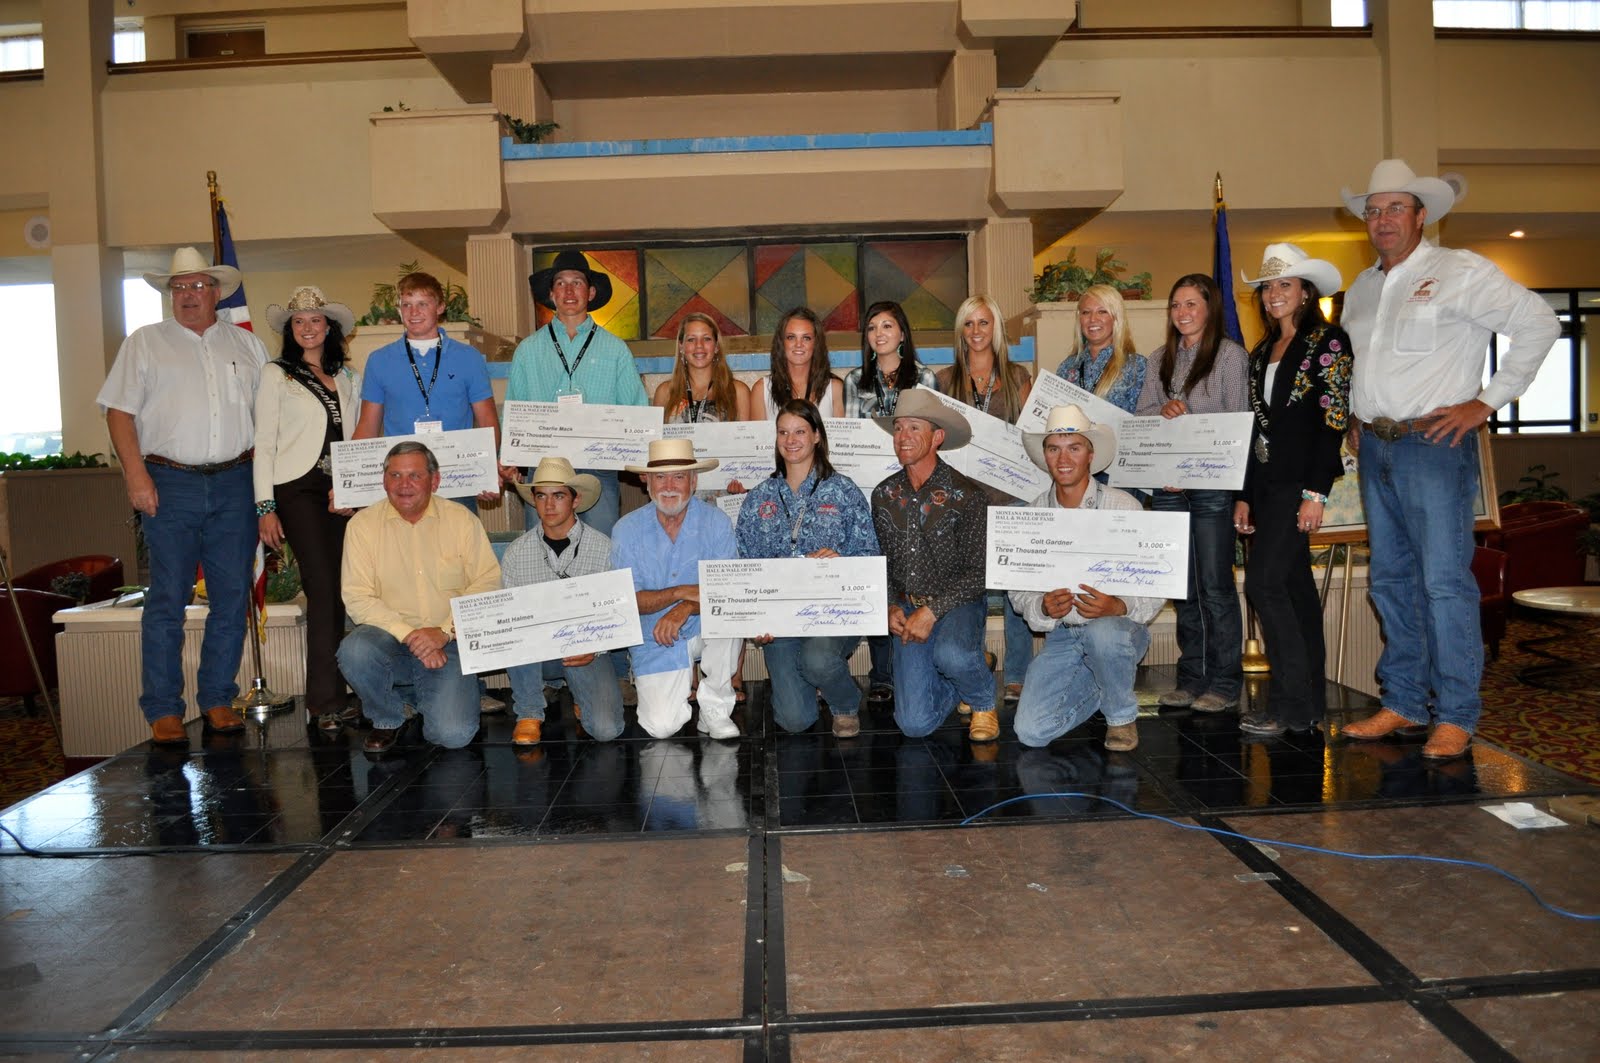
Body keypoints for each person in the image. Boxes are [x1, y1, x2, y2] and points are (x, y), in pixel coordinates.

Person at [1337, 159, 1559, 760]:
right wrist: (1359, 416)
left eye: (1395, 208)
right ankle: (1405, 701)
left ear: (1421, 215)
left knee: (1442, 584)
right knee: (1390, 581)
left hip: (1434, 447)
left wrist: (1485, 403)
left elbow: (1539, 322)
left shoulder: (1458, 270)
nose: (1383, 219)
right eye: (1374, 210)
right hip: (1376, 448)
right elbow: (1367, 363)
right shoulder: (1360, 288)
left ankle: (1457, 714)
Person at [97, 246, 268, 746]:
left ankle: (217, 697)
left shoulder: (247, 346)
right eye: (179, 288)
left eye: (197, 286)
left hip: (237, 483)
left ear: (217, 292)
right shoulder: (144, 343)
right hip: (168, 483)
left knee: (232, 598)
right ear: (169, 295)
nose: (188, 295)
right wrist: (136, 476)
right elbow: (118, 413)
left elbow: (271, 419)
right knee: (168, 600)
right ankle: (163, 708)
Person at [1233, 245, 1352, 737]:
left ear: (1306, 292)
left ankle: (1289, 705)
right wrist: (1243, 493)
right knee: (1296, 592)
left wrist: (1316, 492)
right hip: (1264, 485)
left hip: (1298, 486)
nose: (1274, 294)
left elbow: (1333, 421)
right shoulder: (1261, 353)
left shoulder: (1329, 342)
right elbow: (1251, 430)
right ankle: (1311, 706)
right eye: (1267, 287)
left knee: (1263, 585)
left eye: (1284, 285)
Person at [1011, 406, 1163, 752]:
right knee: (1031, 732)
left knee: (1104, 634)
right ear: (1046, 456)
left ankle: (1121, 716)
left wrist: (1119, 605)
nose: (1063, 458)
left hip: (1119, 631)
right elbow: (1019, 592)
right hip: (1063, 637)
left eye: (1074, 447)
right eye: (1054, 448)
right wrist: (1042, 606)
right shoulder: (1031, 515)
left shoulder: (1124, 507)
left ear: (1090, 455)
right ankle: (1108, 682)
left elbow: (1155, 582)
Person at [338, 442, 501, 753]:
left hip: (448, 643)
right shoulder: (362, 526)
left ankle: (421, 696)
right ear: (384, 480)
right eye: (395, 475)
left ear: (434, 481)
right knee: (355, 650)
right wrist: (412, 635)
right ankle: (389, 716)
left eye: (415, 475)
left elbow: (488, 583)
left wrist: (443, 631)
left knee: (454, 735)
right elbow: (358, 598)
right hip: (390, 640)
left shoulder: (462, 520)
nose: (404, 484)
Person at [1137, 274, 1250, 714]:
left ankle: (1223, 682)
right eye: (1176, 305)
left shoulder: (1229, 356)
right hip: (1167, 489)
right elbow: (1143, 414)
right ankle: (1191, 677)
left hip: (1212, 489)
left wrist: (1191, 420)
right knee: (1181, 588)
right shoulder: (1158, 358)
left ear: (1209, 309)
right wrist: (1161, 410)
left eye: (1191, 304)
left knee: (1215, 586)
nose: (1182, 313)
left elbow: (1238, 421)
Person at [735, 400, 880, 737]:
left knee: (816, 660)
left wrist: (842, 563)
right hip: (780, 622)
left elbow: (870, 556)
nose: (791, 439)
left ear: (816, 436)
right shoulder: (759, 497)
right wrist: (755, 619)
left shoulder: (844, 491)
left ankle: (844, 702)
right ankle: (816, 682)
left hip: (834, 613)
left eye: (800, 431)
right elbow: (744, 566)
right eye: (783, 432)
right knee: (794, 721)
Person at [254, 285, 362, 732]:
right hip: (297, 490)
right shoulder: (277, 374)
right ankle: (323, 700)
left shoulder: (351, 377)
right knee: (322, 590)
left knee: (343, 590)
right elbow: (264, 443)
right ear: (290, 330)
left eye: (315, 320)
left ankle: (339, 688)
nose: (307, 328)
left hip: (343, 492)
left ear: (329, 327)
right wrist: (266, 506)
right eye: (299, 322)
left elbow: (361, 436)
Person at [869, 389, 995, 741]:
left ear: (937, 437)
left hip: (958, 603)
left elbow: (979, 573)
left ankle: (982, 698)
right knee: (914, 725)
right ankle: (971, 668)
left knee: (952, 653)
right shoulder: (882, 495)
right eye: (898, 428)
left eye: (914, 428)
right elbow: (883, 561)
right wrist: (891, 602)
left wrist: (932, 611)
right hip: (908, 605)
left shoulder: (967, 495)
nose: (903, 437)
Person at [936, 293, 1035, 705]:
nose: (976, 332)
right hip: (964, 505)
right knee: (968, 593)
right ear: (960, 331)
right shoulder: (943, 381)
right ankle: (975, 665)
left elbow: (1032, 441)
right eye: (969, 324)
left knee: (1016, 593)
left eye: (984, 323)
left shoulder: (1017, 378)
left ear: (996, 329)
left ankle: (1017, 675)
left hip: (1011, 499)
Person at [508, 250, 651, 535]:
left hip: (597, 469)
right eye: (561, 283)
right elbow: (514, 407)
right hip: (544, 471)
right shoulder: (527, 350)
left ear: (591, 291)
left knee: (602, 553)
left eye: (577, 282)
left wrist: (645, 458)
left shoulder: (615, 349)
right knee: (542, 555)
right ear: (551, 293)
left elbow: (637, 410)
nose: (569, 290)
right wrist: (509, 459)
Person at [609, 438, 741, 739]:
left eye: (678, 477)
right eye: (659, 477)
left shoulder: (717, 523)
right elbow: (628, 601)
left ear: (694, 482)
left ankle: (715, 710)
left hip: (703, 624)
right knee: (661, 728)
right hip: (655, 637)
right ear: (647, 482)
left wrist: (685, 608)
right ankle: (676, 685)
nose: (668, 485)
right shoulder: (626, 530)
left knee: (730, 617)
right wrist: (681, 592)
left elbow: (727, 589)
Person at [843, 300, 939, 707]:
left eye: (887, 326)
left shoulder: (925, 377)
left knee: (909, 572)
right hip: (870, 494)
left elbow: (931, 434)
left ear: (902, 332)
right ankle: (881, 672)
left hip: (913, 492)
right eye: (872, 328)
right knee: (878, 575)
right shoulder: (854, 380)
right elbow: (848, 436)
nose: (879, 334)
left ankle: (915, 662)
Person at [350, 270, 503, 509]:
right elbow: (367, 427)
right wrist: (349, 479)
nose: (414, 312)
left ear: (440, 307)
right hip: (402, 485)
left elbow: (488, 421)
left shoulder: (468, 358)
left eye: (423, 303)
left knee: (457, 547)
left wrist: (487, 471)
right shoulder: (379, 360)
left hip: (458, 481)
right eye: (406, 305)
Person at [502, 458, 626, 745]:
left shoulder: (604, 548)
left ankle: (583, 696)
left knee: (606, 730)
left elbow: (618, 615)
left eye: (559, 496)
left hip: (586, 650)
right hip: (536, 652)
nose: (549, 505)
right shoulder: (516, 553)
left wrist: (596, 648)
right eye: (541, 496)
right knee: (514, 634)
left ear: (575, 499)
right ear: (533, 501)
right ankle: (529, 712)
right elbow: (509, 619)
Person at [1053, 284, 1147, 413]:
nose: (1093, 319)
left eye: (1102, 311)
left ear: (1116, 318)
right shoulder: (1067, 367)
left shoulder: (1137, 367)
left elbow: (1145, 417)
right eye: (1086, 312)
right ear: (1079, 319)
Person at [653, 312, 751, 424]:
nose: (699, 345)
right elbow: (655, 440)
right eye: (691, 339)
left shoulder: (738, 392)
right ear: (681, 346)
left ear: (716, 346)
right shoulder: (665, 392)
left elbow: (747, 439)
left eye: (707, 339)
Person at [750, 307, 845, 419]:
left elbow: (843, 437)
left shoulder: (836, 389)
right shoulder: (762, 390)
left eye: (806, 338)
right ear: (781, 342)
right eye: (791, 337)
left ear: (816, 343)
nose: (798, 344)